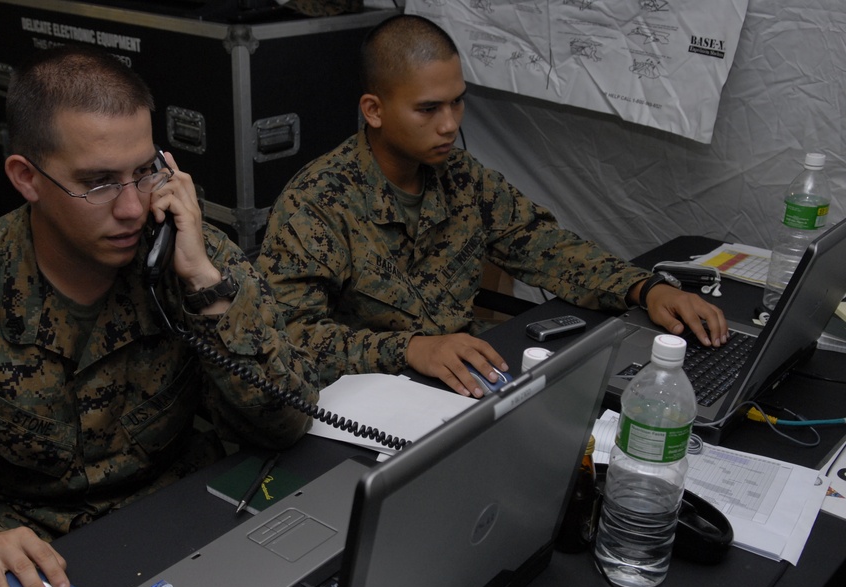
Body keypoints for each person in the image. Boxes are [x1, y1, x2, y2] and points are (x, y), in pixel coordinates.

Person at [0, 44, 319, 587]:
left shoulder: (189, 254)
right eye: (96, 183)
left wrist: (205, 286)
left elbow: (286, 422)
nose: (130, 208)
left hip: (176, 527)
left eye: (145, 172)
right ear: (26, 178)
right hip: (40, 561)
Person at [256, 14, 728, 398]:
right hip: (366, 404)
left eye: (458, 103)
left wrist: (645, 290)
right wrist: (410, 349)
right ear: (374, 110)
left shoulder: (460, 177)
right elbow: (285, 338)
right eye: (428, 109)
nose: (449, 124)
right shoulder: (317, 203)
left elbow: (544, 246)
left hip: (464, 387)